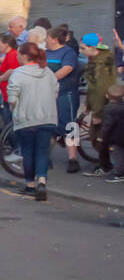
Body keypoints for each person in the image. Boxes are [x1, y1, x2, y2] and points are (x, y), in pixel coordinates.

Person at [7, 42, 59, 200]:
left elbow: (12, 98)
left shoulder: (18, 73)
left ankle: (30, 185)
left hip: (26, 118)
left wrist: (13, 110)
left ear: (23, 56)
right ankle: (42, 181)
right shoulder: (48, 71)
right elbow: (56, 91)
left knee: (28, 152)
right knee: (42, 152)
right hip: (47, 117)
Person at [45, 25, 82, 173]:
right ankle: (45, 157)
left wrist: (49, 80)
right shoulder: (45, 52)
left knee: (69, 125)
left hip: (65, 94)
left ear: (54, 39)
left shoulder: (68, 53)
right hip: (49, 94)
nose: (45, 41)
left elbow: (66, 69)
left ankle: (73, 159)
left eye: (47, 38)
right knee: (49, 125)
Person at [81, 33, 117, 175]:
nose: (80, 51)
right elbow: (93, 87)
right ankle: (108, 164)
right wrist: (88, 104)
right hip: (101, 105)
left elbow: (101, 90)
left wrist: (96, 112)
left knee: (98, 137)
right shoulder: (96, 59)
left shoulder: (100, 64)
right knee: (100, 137)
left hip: (103, 106)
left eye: (83, 48)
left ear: (92, 48)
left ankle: (107, 166)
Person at [98, 83, 124, 182]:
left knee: (118, 156)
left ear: (107, 96)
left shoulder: (108, 109)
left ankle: (119, 174)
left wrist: (101, 136)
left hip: (115, 138)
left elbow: (107, 126)